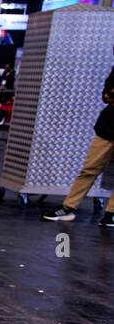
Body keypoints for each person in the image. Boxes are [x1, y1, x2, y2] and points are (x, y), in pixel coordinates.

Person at [43, 51, 114, 227]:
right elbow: (107, 95)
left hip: (109, 123)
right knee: (90, 168)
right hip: (109, 126)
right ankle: (68, 207)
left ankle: (111, 213)